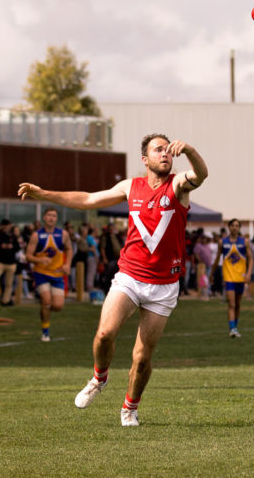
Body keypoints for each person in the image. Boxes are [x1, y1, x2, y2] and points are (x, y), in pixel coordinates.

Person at [18, 133, 208, 426]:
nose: (165, 153)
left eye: (168, 149)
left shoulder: (178, 185)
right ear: (145, 159)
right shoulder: (131, 186)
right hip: (130, 276)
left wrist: (191, 150)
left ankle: (129, 408)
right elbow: (88, 199)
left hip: (164, 286)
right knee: (104, 334)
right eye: (158, 150)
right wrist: (44, 194)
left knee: (142, 358)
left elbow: (201, 174)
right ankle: (99, 377)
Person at [23, 207, 73, 341]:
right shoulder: (36, 235)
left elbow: (69, 249)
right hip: (41, 273)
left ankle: (44, 310)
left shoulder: (63, 234)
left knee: (57, 306)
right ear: (44, 218)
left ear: (56, 219)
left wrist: (67, 264)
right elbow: (28, 256)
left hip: (57, 274)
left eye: (54, 216)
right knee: (46, 301)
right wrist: (39, 259)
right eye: (49, 215)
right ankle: (45, 331)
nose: (51, 218)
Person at [212, 218, 252, 337]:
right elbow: (217, 259)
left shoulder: (244, 242)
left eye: (237, 226)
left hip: (240, 277)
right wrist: (211, 274)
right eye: (232, 225)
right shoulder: (222, 242)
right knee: (231, 304)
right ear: (229, 227)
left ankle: (235, 326)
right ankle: (232, 329)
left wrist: (249, 274)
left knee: (238, 304)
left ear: (239, 228)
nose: (235, 227)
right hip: (229, 277)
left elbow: (251, 259)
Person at [0, 219, 19, 306]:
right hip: (0, 262)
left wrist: (11, 246)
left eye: (8, 225)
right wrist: (1, 246)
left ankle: (5, 300)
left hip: (11, 262)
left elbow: (17, 248)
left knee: (9, 283)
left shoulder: (13, 236)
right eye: (5, 225)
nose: (6, 227)